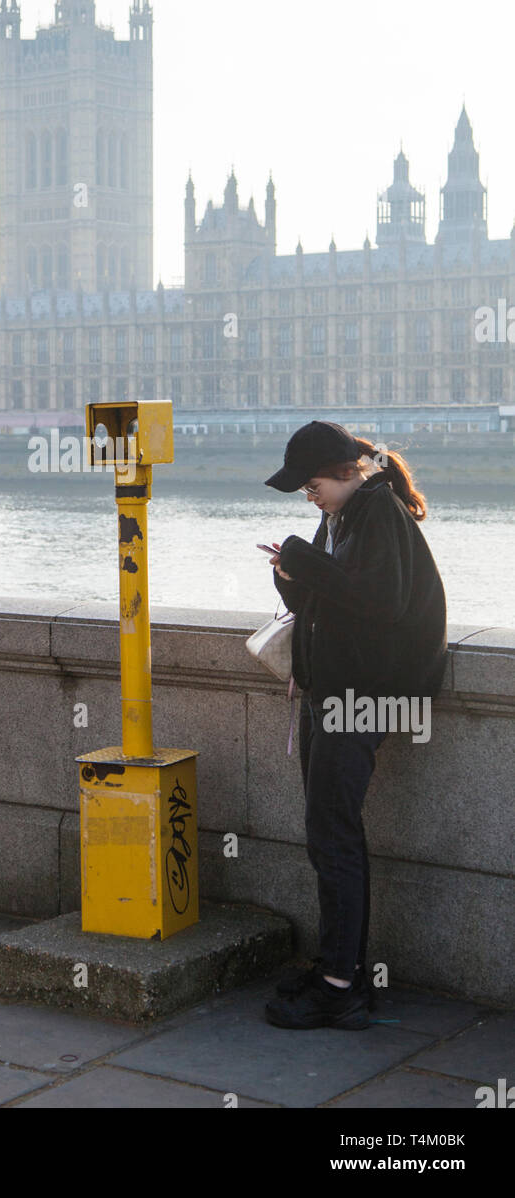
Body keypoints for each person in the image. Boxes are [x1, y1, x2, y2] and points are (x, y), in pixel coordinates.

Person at [260, 420, 446, 1030]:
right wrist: (290, 576)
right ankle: (340, 969)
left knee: (333, 834)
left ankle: (341, 985)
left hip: (368, 697)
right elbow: (329, 603)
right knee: (327, 832)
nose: (307, 496)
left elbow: (380, 604)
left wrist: (302, 559)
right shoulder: (341, 514)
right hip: (335, 690)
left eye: (310, 484)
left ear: (343, 471)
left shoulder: (376, 511)